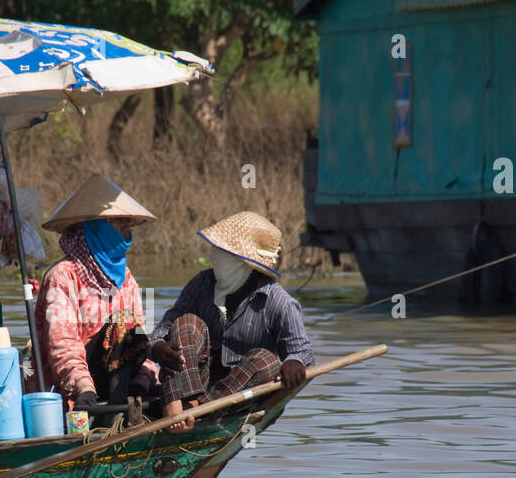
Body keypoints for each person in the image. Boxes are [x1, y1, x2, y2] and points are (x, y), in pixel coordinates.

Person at [150, 211, 315, 431]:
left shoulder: (280, 303)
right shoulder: (202, 284)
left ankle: (200, 410)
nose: (214, 257)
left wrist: (294, 362)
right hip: (191, 383)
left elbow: (303, 353)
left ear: (244, 262)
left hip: (234, 392)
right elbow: (167, 324)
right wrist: (158, 345)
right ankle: (177, 409)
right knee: (187, 322)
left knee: (266, 361)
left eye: (222, 253)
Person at [34, 174, 159, 412]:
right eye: (119, 222)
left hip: (117, 383)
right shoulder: (63, 276)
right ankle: (110, 411)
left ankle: (120, 408)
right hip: (71, 388)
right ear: (96, 226)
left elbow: (141, 341)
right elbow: (63, 345)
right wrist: (84, 388)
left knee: (127, 328)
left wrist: (143, 383)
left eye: (127, 223)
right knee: (121, 325)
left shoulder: (126, 280)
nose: (126, 230)